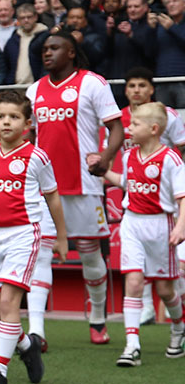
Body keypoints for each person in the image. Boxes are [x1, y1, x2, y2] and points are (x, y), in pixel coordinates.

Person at [0, 91, 68, 383]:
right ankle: (27, 346)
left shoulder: (37, 156)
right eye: (1, 116)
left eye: (14, 117)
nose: (7, 122)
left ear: (27, 123)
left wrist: (61, 236)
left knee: (8, 305)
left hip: (24, 234)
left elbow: (53, 197)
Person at [26, 32, 123, 345]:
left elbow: (116, 128)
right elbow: (30, 137)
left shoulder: (93, 83)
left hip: (84, 185)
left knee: (89, 254)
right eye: (44, 49)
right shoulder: (34, 90)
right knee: (41, 254)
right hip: (43, 189)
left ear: (71, 52)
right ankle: (37, 330)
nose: (47, 53)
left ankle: (96, 317)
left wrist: (105, 159)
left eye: (54, 48)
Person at [98, 102, 185, 366]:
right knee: (133, 283)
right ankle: (132, 346)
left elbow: (182, 197)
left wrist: (181, 226)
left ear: (154, 129)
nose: (129, 128)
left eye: (135, 124)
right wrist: (104, 172)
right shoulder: (129, 156)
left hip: (161, 226)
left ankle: (179, 328)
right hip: (132, 223)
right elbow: (128, 183)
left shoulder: (170, 158)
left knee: (165, 289)